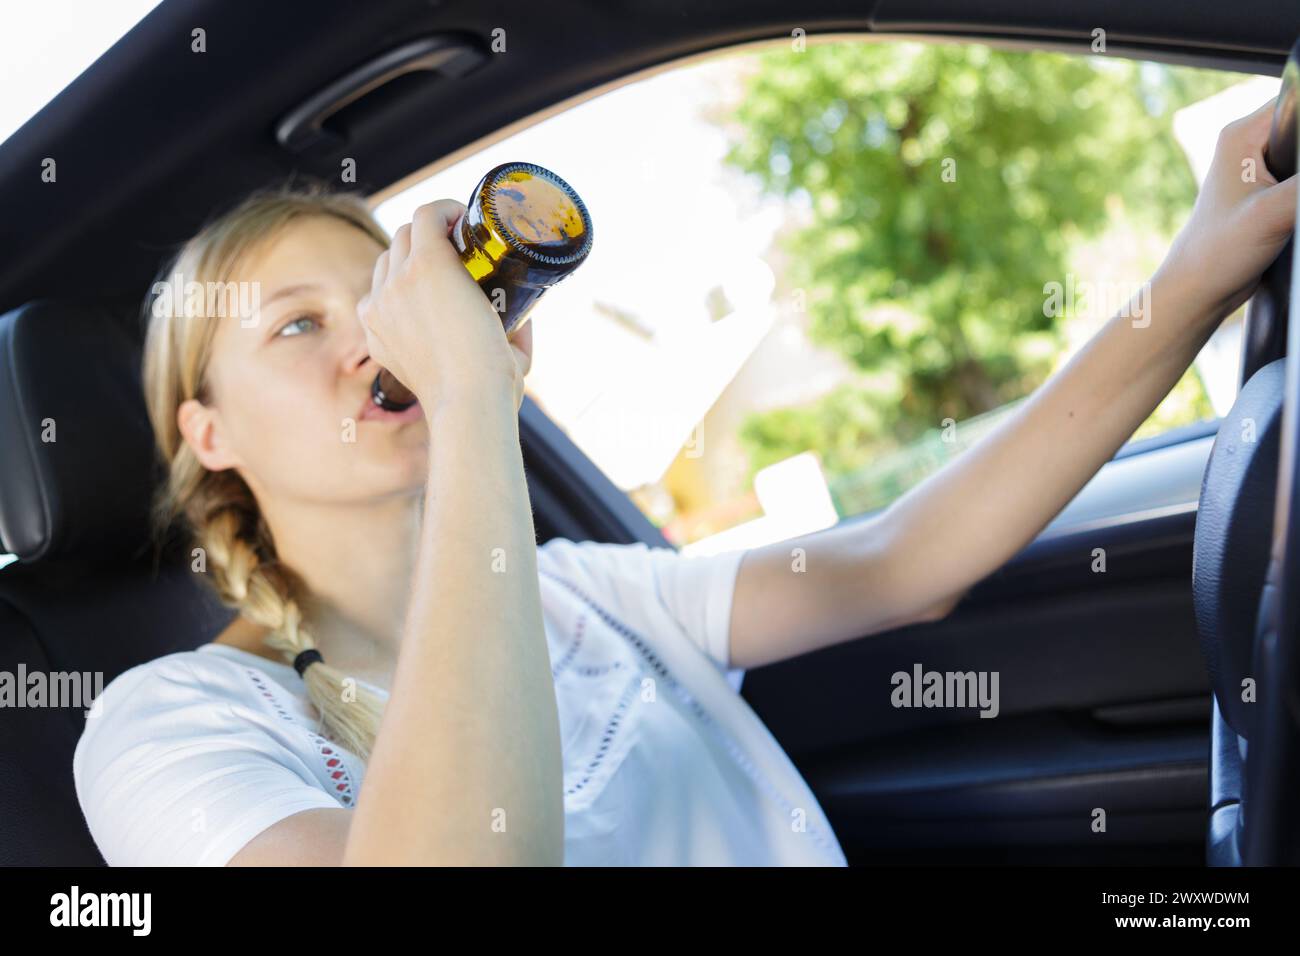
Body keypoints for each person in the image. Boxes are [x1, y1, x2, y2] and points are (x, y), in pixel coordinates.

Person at [73, 97, 1296, 866]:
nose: (368, 343)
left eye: (384, 306)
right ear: (208, 430)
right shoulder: (170, 725)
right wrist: (477, 420)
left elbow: (905, 562)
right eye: (294, 325)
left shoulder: (583, 594)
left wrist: (1194, 272)